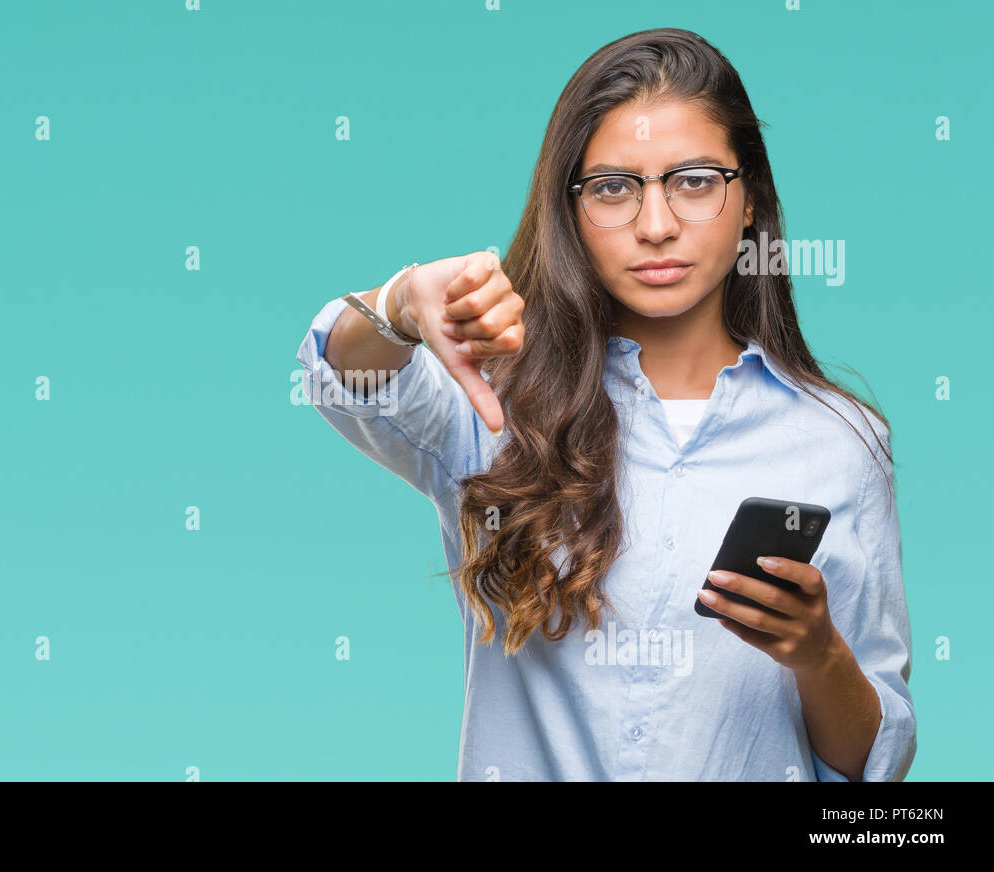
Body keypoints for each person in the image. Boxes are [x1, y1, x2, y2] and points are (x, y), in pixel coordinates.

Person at [294, 27, 915, 781]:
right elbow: (344, 374)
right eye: (615, 188)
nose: (656, 226)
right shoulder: (495, 400)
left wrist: (819, 655)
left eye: (693, 180)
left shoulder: (841, 444)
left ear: (749, 199)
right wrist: (398, 303)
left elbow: (874, 765)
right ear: (574, 212)